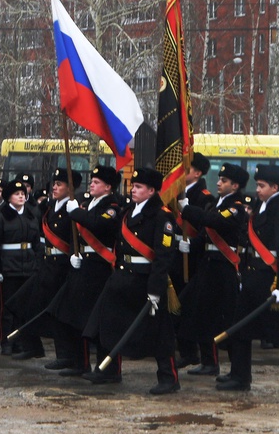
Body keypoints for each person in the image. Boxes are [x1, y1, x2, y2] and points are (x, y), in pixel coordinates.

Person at [82, 167, 180, 395]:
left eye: (138, 187)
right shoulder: (128, 212)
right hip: (123, 277)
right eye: (132, 186)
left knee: (159, 332)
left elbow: (163, 257)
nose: (132, 190)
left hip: (146, 281)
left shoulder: (162, 216)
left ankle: (169, 377)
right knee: (107, 321)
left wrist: (156, 290)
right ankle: (109, 370)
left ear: (151, 191)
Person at [177, 163, 249, 377]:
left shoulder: (235, 206)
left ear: (235, 185)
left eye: (224, 181)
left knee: (221, 318)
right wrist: (191, 245)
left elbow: (215, 222)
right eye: (219, 179)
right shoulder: (218, 203)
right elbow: (206, 233)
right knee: (193, 309)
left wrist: (187, 209)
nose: (218, 183)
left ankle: (226, 366)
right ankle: (207, 360)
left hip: (223, 269)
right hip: (208, 266)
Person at [50, 165, 121, 376]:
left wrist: (76, 212)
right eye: (92, 181)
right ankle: (80, 363)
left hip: (101, 268)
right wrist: (74, 253)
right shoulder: (87, 204)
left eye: (97, 182)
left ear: (108, 187)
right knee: (76, 317)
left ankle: (108, 369)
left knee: (101, 322)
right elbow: (77, 234)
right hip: (83, 268)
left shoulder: (113, 206)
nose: (91, 184)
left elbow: (98, 225)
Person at [218, 164, 279, 391]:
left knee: (259, 328)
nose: (258, 190)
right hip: (254, 274)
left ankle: (240, 375)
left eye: (262, 186)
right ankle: (239, 375)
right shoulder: (261, 205)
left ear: (275, 187)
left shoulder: (277, 208)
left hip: (269, 277)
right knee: (240, 325)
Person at [10, 168, 80, 364]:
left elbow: (79, 237)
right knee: (22, 302)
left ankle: (64, 356)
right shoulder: (50, 207)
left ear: (71, 188)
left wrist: (76, 256)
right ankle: (33, 346)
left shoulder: (74, 209)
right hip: (47, 265)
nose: (54, 187)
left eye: (59, 184)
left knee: (58, 313)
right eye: (53, 184)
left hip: (63, 267)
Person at [0, 179, 44, 357]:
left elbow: (36, 243)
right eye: (16, 194)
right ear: (9, 197)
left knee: (24, 308)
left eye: (23, 194)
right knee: (8, 308)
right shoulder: (0, 217)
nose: (21, 197)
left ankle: (20, 341)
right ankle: (6, 342)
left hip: (28, 268)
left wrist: (38, 265)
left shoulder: (30, 215)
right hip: (9, 269)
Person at [173, 152, 216, 368]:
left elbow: (207, 229)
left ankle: (200, 354)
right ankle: (187, 352)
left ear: (197, 173)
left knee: (193, 308)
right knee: (177, 306)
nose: (182, 172)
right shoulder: (174, 193)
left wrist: (191, 243)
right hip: (176, 258)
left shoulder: (205, 197)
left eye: (186, 169)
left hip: (194, 260)